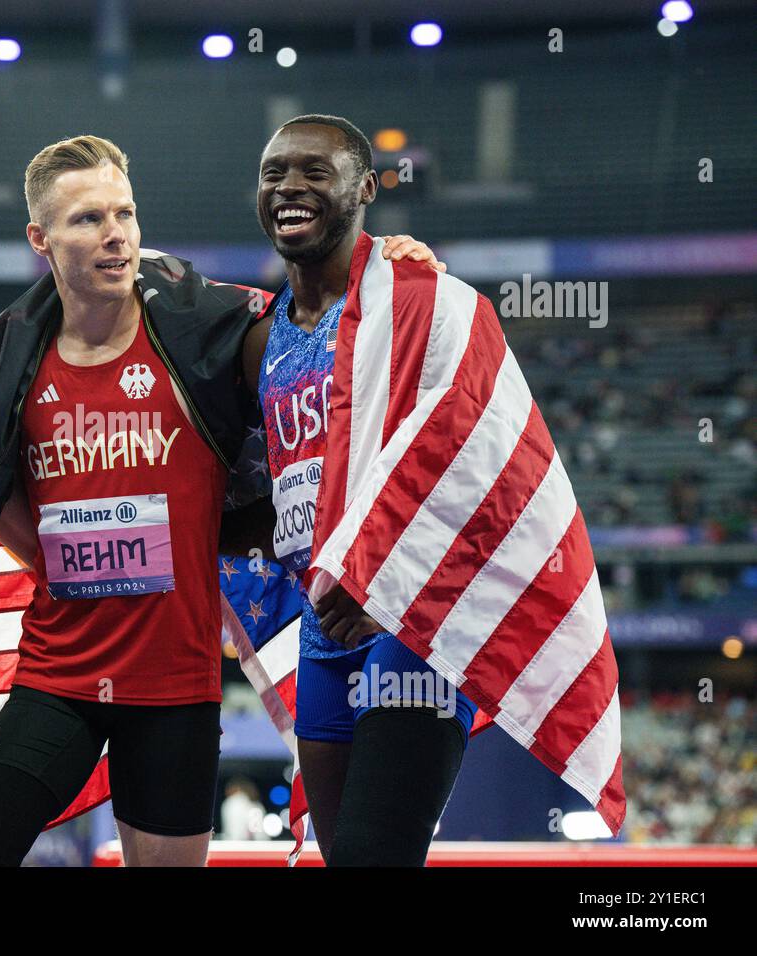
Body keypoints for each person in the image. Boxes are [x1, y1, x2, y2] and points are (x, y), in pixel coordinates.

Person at [0, 136, 442, 866]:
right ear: (41, 239)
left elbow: (325, 327)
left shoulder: (208, 329)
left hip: (178, 692)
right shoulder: (2, 361)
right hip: (59, 679)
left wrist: (383, 268)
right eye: (88, 219)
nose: (115, 234)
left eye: (125, 213)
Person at [246, 115, 480, 865]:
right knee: (343, 854)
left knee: (377, 854)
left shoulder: (413, 301)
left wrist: (410, 271)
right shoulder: (259, 330)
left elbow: (469, 452)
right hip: (324, 625)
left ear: (366, 189)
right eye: (275, 172)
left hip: (414, 616)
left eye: (316, 171)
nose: (290, 186)